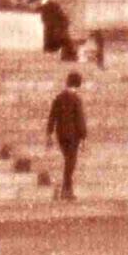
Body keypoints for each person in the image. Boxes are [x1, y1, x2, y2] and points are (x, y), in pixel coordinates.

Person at [46, 71, 89, 201]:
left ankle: (66, 189)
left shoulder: (58, 98)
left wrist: (49, 133)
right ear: (78, 84)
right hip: (73, 135)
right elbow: (80, 119)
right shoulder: (76, 99)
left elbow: (52, 116)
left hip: (61, 134)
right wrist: (84, 137)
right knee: (71, 162)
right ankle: (66, 189)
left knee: (68, 161)